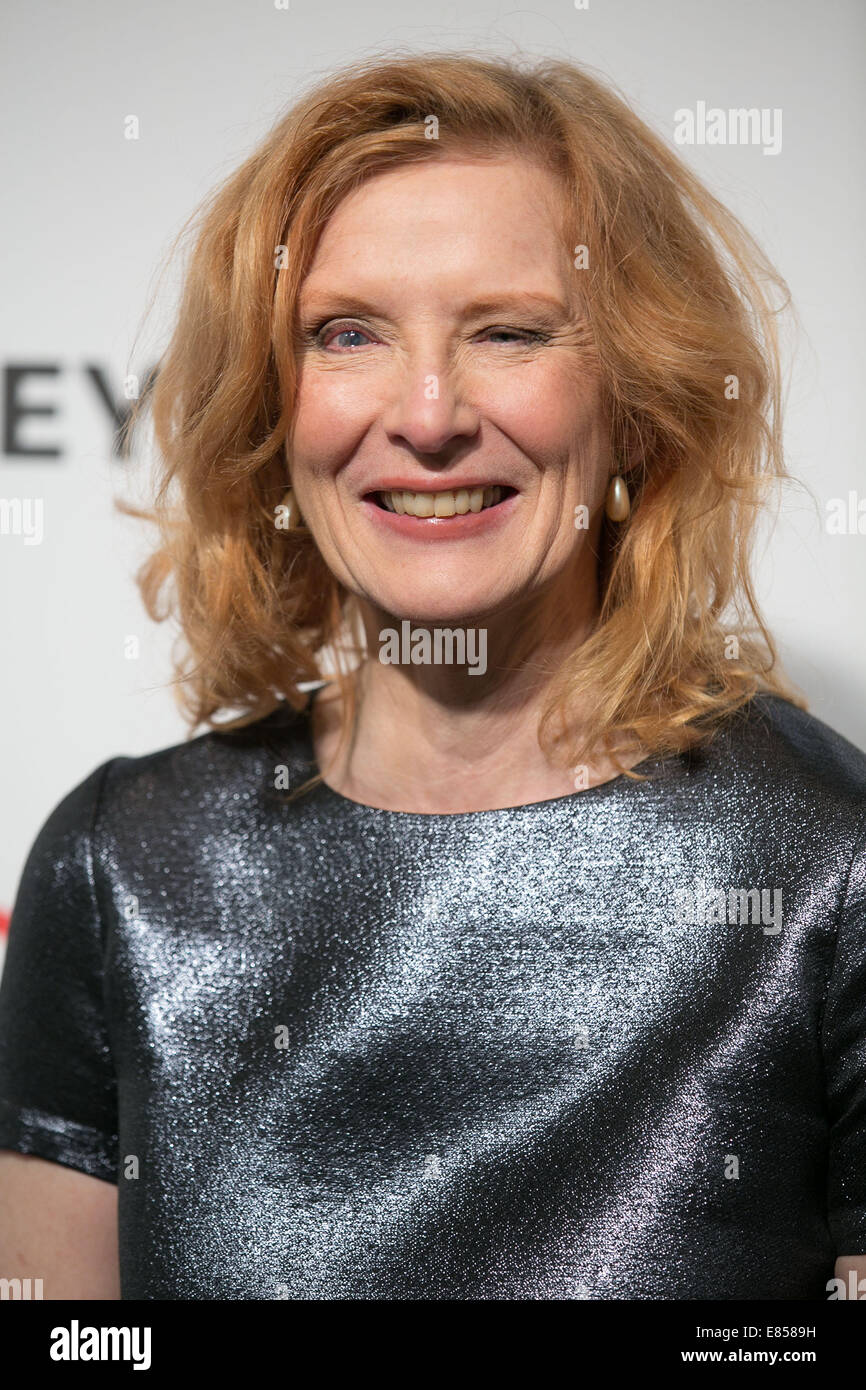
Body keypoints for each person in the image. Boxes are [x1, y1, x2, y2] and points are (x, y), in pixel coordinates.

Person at [0, 50, 864, 1301]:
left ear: (631, 400)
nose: (426, 412)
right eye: (345, 334)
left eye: (507, 331)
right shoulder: (118, 867)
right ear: (272, 408)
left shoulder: (830, 869)